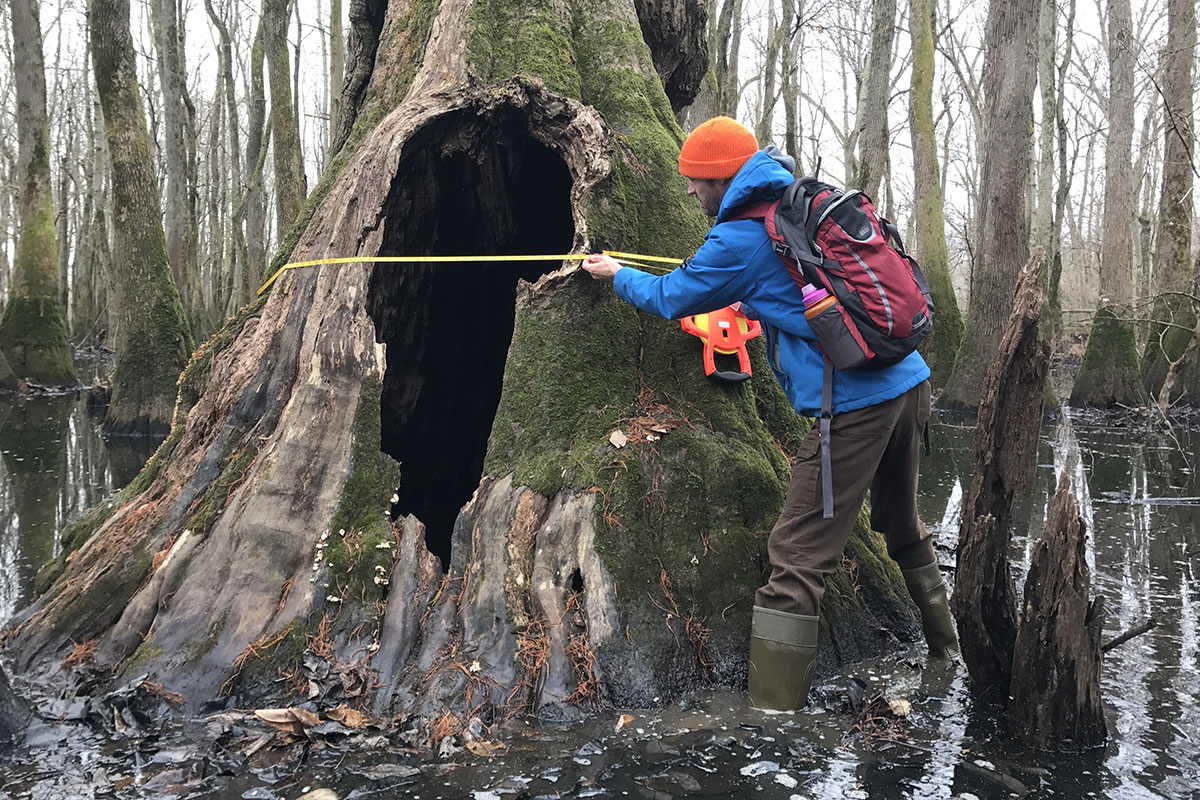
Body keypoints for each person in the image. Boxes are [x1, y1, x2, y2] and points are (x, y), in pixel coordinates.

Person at [582, 116, 958, 711]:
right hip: (908, 382)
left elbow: (673, 297)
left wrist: (616, 275)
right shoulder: (788, 203)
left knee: (797, 557)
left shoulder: (738, 238)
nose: (687, 191)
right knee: (900, 523)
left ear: (720, 178)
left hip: (855, 401)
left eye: (694, 180)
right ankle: (947, 653)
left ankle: (771, 723)